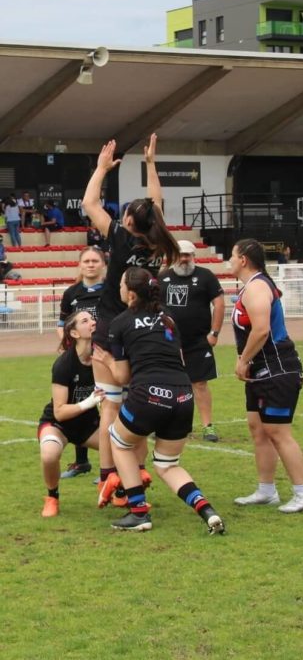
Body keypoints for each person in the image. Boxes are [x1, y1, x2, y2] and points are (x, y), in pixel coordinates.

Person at [82, 134, 180, 507]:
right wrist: (151, 164)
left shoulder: (122, 239)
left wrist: (102, 169)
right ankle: (135, 470)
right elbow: (156, 204)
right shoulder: (161, 242)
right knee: (135, 399)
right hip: (149, 325)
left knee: (110, 403)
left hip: (112, 322)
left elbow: (90, 202)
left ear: (127, 221)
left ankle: (111, 478)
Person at [91, 267, 225, 534]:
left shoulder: (120, 323)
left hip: (149, 393)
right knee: (167, 464)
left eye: (120, 284)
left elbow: (121, 377)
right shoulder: (168, 317)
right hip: (184, 395)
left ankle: (139, 512)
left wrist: (105, 359)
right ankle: (207, 511)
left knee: (118, 441)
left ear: (130, 294)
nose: (117, 288)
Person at [229, 238, 303, 513]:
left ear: (243, 259)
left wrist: (243, 360)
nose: (229, 261)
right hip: (260, 369)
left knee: (278, 432)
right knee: (258, 429)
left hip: (277, 368)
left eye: (232, 256)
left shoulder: (256, 286)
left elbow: (261, 329)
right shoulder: (250, 287)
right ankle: (266, 490)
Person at [159, 240, 225, 442]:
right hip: (169, 341)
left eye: (187, 255)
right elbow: (153, 306)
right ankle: (168, 423)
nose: (184, 258)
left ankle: (208, 426)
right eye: (180, 255)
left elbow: (219, 304)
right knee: (168, 384)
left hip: (197, 340)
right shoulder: (162, 277)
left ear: (193, 255)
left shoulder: (206, 276)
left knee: (200, 384)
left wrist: (214, 332)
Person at [38, 312, 103, 517]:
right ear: (74, 333)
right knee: (49, 455)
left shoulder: (102, 356)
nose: (92, 322)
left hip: (87, 425)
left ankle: (118, 489)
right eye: (85, 321)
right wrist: (89, 402)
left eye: (93, 319)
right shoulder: (63, 364)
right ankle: (52, 498)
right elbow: (59, 411)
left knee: (122, 445)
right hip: (59, 424)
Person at [56, 246, 107, 478]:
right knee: (79, 400)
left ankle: (109, 465)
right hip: (79, 355)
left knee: (108, 403)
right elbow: (62, 325)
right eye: (86, 260)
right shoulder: (71, 293)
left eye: (95, 260)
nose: (90, 264)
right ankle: (81, 462)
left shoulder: (111, 291)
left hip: (105, 355)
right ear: (79, 265)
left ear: (103, 265)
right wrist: (71, 349)